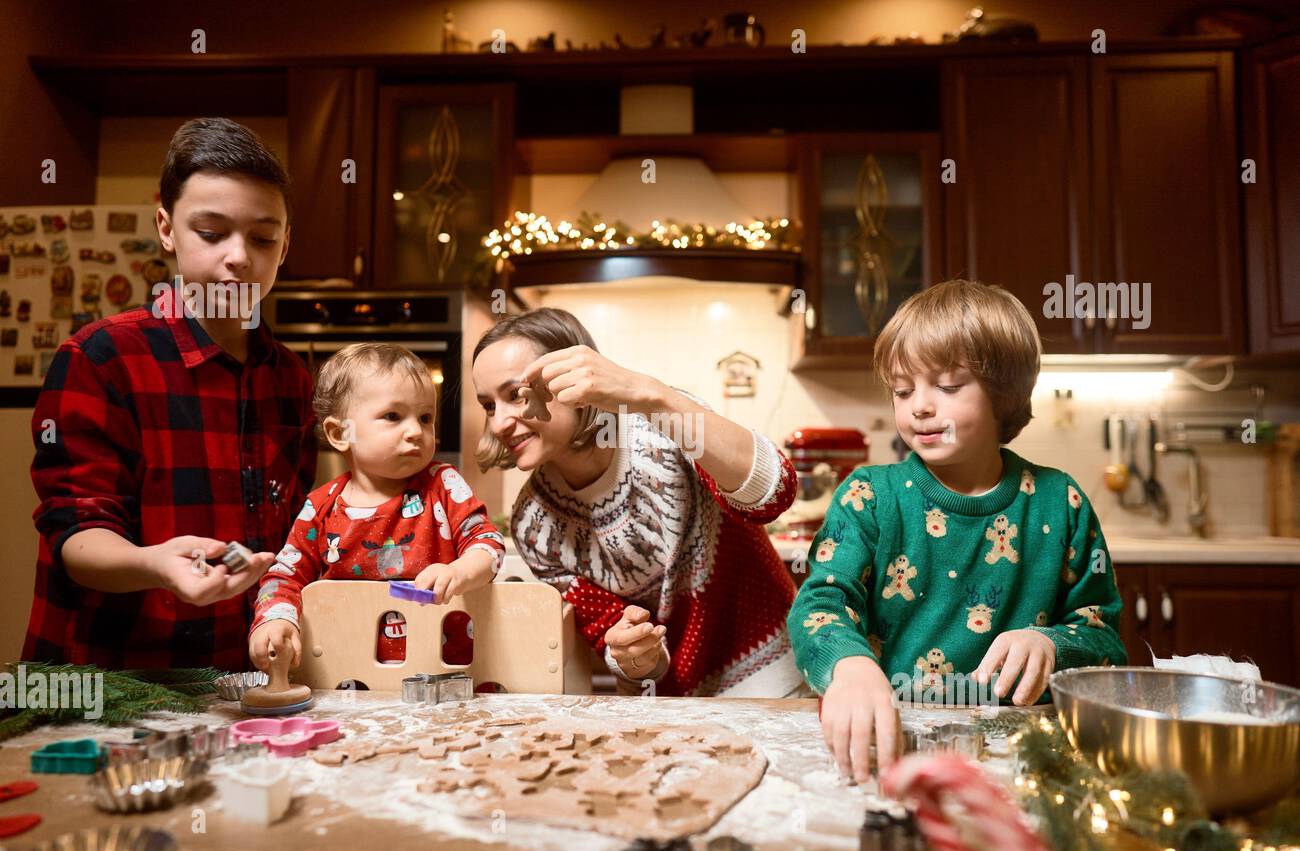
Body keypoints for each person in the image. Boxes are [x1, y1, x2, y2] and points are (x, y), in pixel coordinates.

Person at [788, 279, 1126, 783]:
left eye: (947, 387)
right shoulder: (871, 496)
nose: (920, 406)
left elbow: (1104, 639)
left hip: (1022, 754)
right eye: (903, 391)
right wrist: (849, 668)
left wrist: (1053, 644)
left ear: (1003, 396)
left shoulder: (1063, 501)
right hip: (893, 742)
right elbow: (822, 604)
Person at [24, 117, 315, 669]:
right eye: (211, 232)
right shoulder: (101, 357)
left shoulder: (291, 379)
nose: (238, 256)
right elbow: (76, 532)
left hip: (241, 675)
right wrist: (155, 563)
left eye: (262, 237)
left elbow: (294, 536)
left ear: (284, 244)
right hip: (111, 680)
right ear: (166, 228)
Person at [471, 307, 806, 697]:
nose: (498, 423)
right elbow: (615, 638)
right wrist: (636, 655)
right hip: (671, 705)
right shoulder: (533, 524)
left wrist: (648, 393)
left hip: (775, 679)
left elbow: (773, 494)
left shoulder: (662, 423)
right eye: (489, 405)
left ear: (574, 382)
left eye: (515, 395)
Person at [248, 343, 504, 671]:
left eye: (425, 418)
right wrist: (274, 620)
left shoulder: (443, 485)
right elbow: (284, 575)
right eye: (393, 416)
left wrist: (460, 571)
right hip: (346, 676)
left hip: (442, 670)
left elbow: (488, 545)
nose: (416, 431)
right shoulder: (320, 507)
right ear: (340, 433)